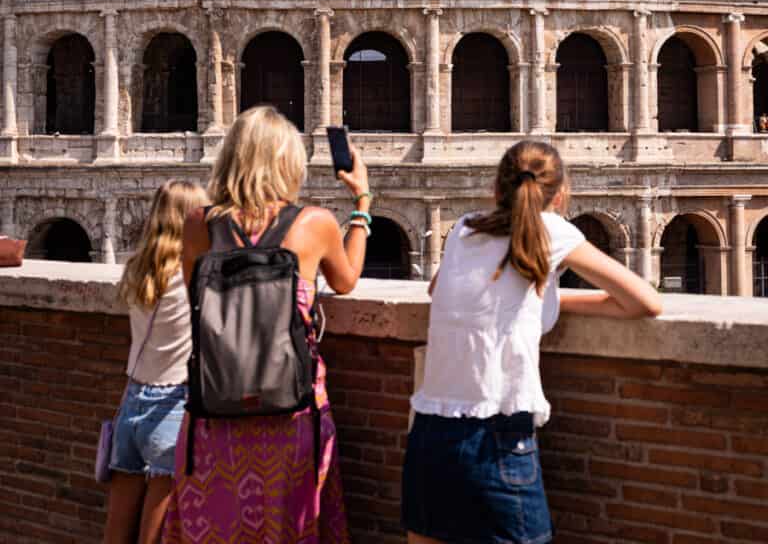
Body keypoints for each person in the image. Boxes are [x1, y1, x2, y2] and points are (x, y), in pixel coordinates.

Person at [402, 139, 662, 544]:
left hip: (430, 431)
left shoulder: (464, 229)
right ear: (560, 195)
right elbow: (645, 302)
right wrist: (547, 297)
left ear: (496, 189)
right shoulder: (553, 230)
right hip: (498, 436)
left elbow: (442, 290)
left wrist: (541, 297)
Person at [162, 105, 372, 544]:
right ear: (287, 161)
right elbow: (347, 280)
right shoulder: (313, 223)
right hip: (290, 414)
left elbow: (194, 300)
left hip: (214, 416)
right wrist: (362, 204)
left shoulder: (199, 223)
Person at [105, 179, 209, 544]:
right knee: (153, 535)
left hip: (131, 403)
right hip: (171, 407)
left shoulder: (137, 268)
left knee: (116, 532)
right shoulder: (193, 276)